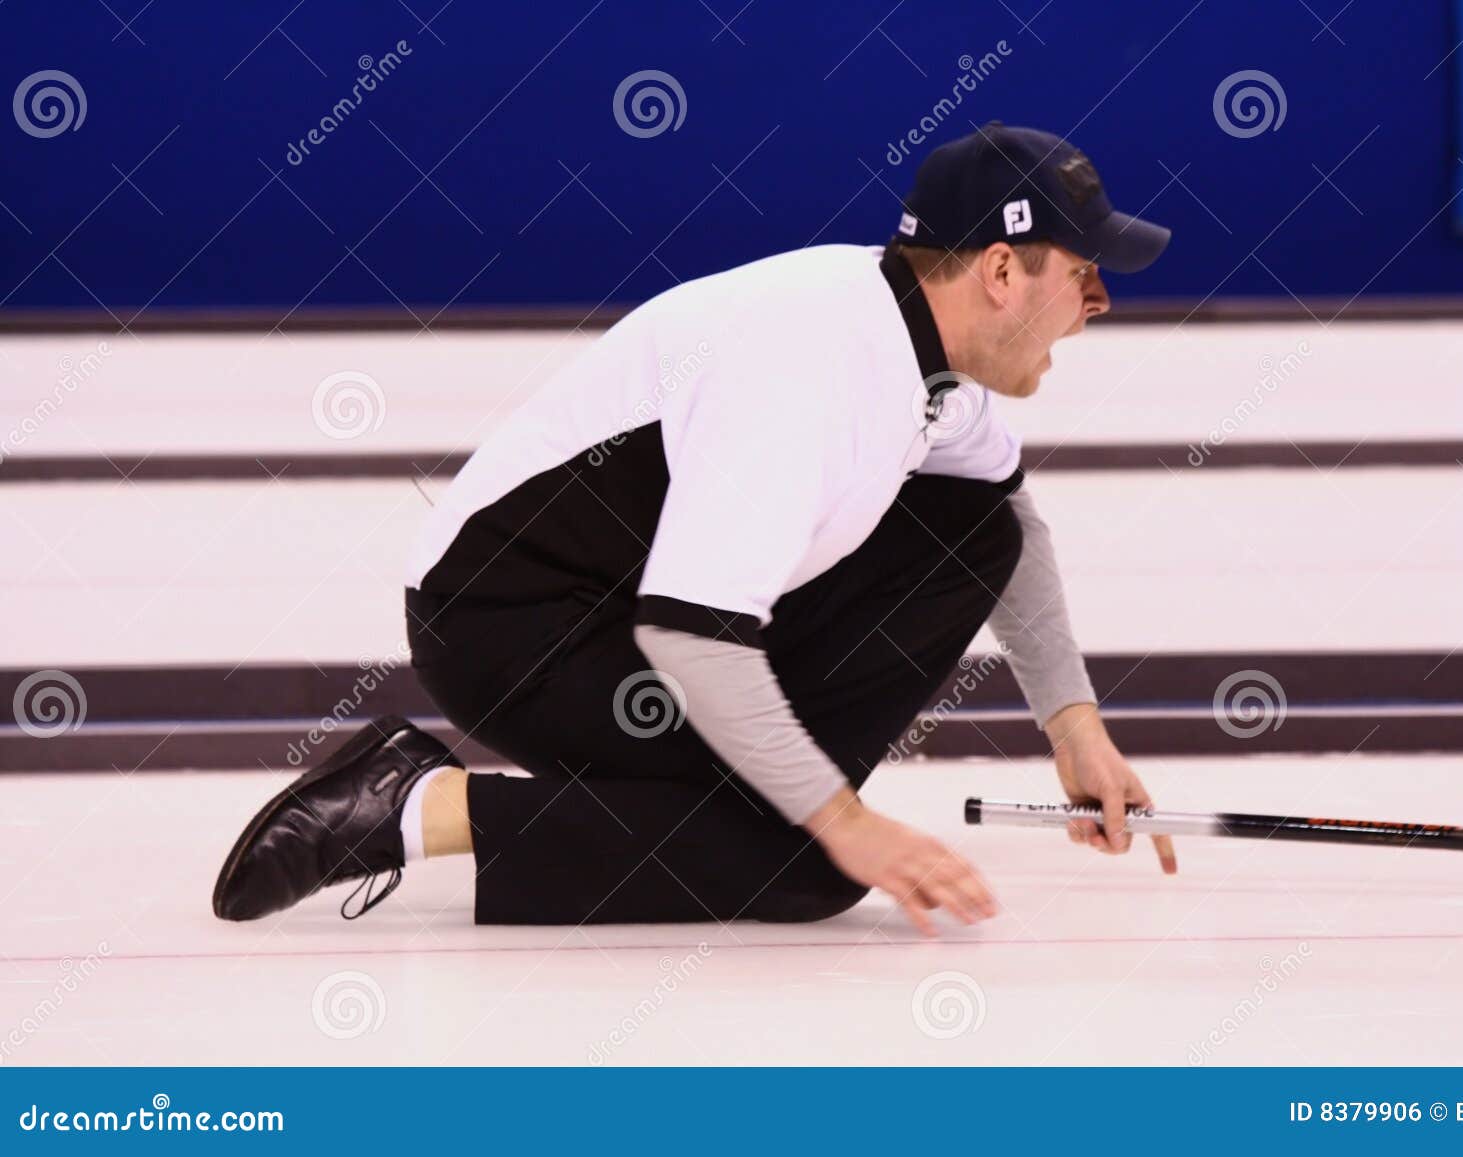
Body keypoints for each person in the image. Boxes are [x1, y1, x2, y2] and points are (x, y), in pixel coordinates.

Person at [213, 122, 1178, 934]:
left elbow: (1005, 515)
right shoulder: (811, 369)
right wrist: (841, 821)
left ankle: (777, 808)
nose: (1098, 301)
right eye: (1086, 271)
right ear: (1002, 270)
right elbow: (690, 633)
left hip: (627, 608)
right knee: (806, 860)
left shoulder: (911, 341)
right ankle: (414, 803)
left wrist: (1074, 729)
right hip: (512, 628)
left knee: (975, 529)